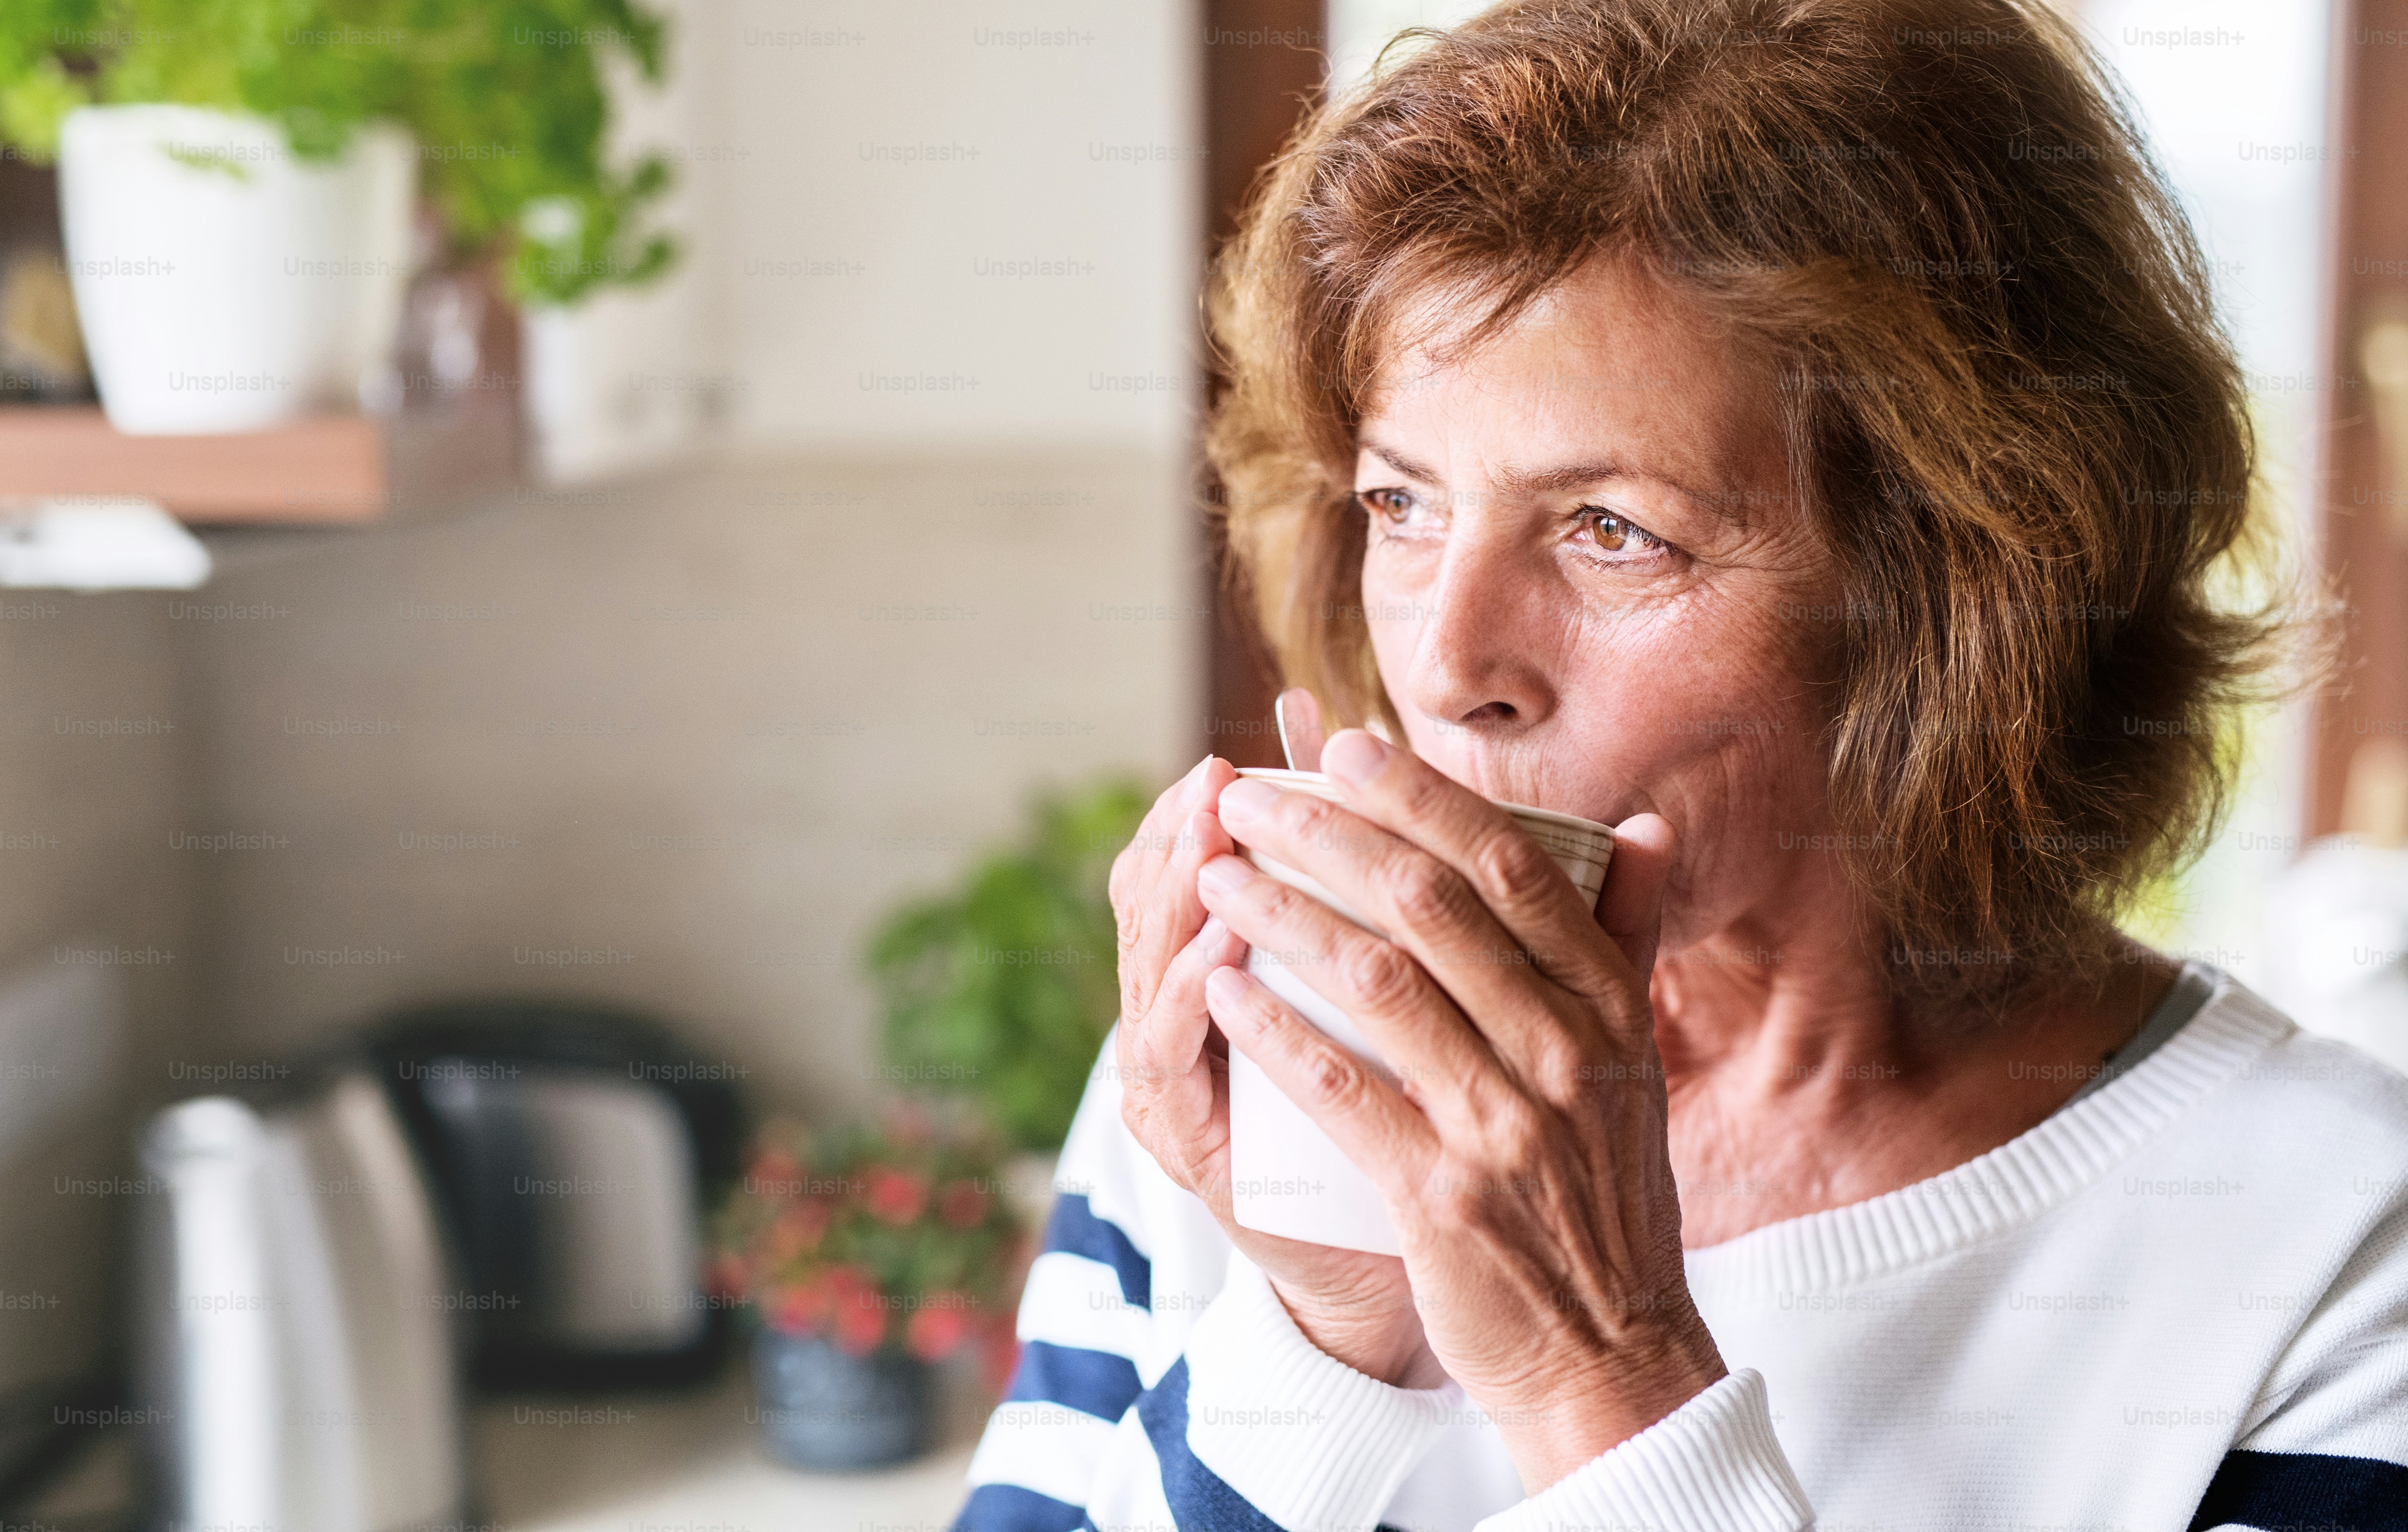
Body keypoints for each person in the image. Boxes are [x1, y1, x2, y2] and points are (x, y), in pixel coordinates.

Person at [954, 2, 2408, 1526]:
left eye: (1612, 530)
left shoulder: (2339, 1249)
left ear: (1962, 600)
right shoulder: (1254, 1058)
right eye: (1402, 503)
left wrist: (1603, 1376)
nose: (1446, 666)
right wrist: (1315, 1346)